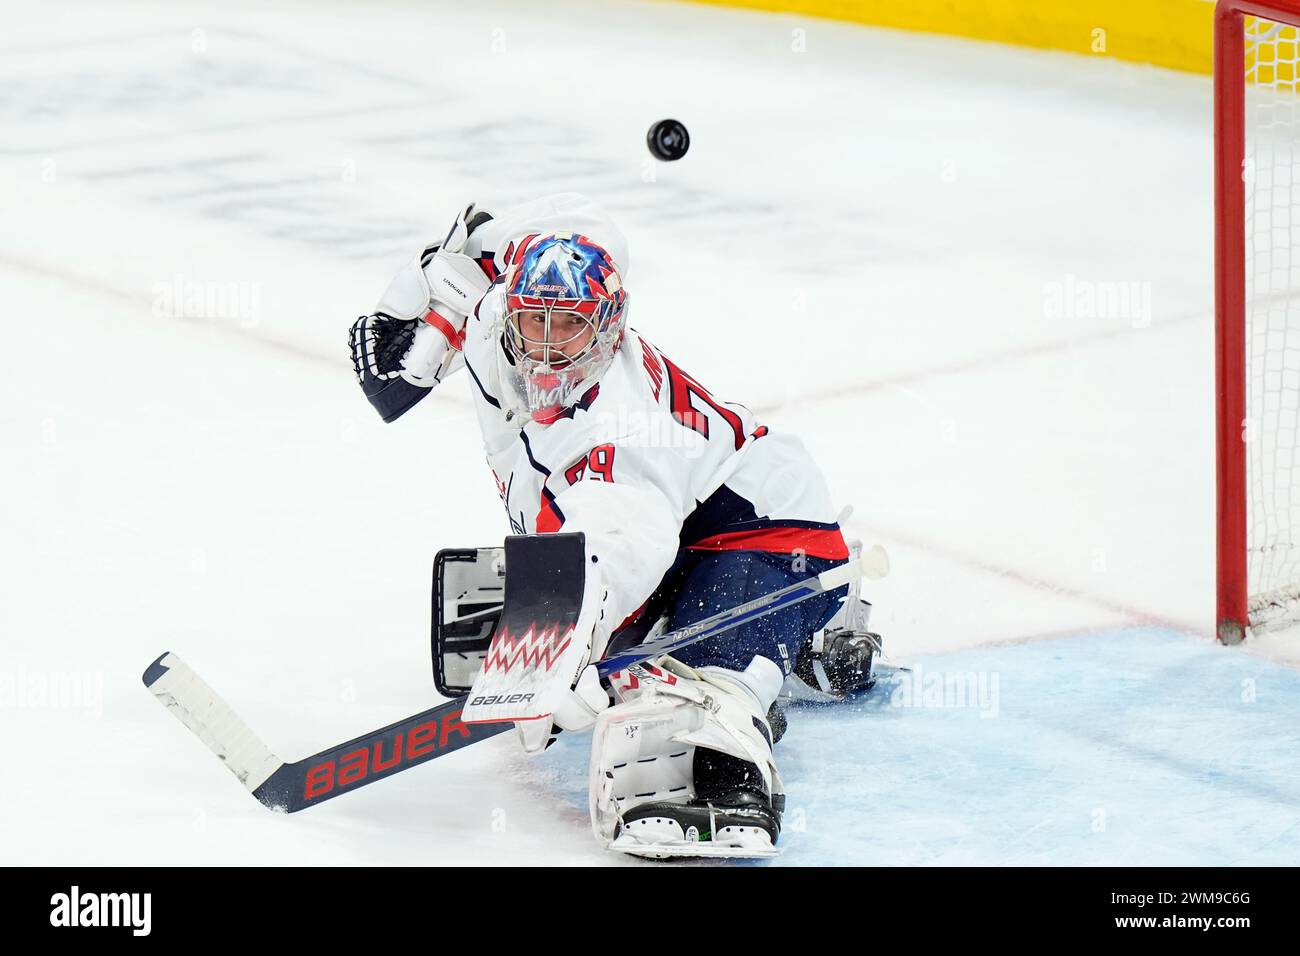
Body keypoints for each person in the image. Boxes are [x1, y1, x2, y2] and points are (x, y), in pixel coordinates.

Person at [349, 193, 874, 857]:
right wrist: (433, 279)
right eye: (532, 321)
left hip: (766, 529)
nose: (543, 348)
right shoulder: (493, 318)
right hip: (682, 520)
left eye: (566, 326)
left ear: (610, 326)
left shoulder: (620, 426)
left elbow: (618, 538)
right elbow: (521, 236)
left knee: (689, 695)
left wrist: (566, 629)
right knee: (508, 629)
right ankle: (752, 637)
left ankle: (764, 659)